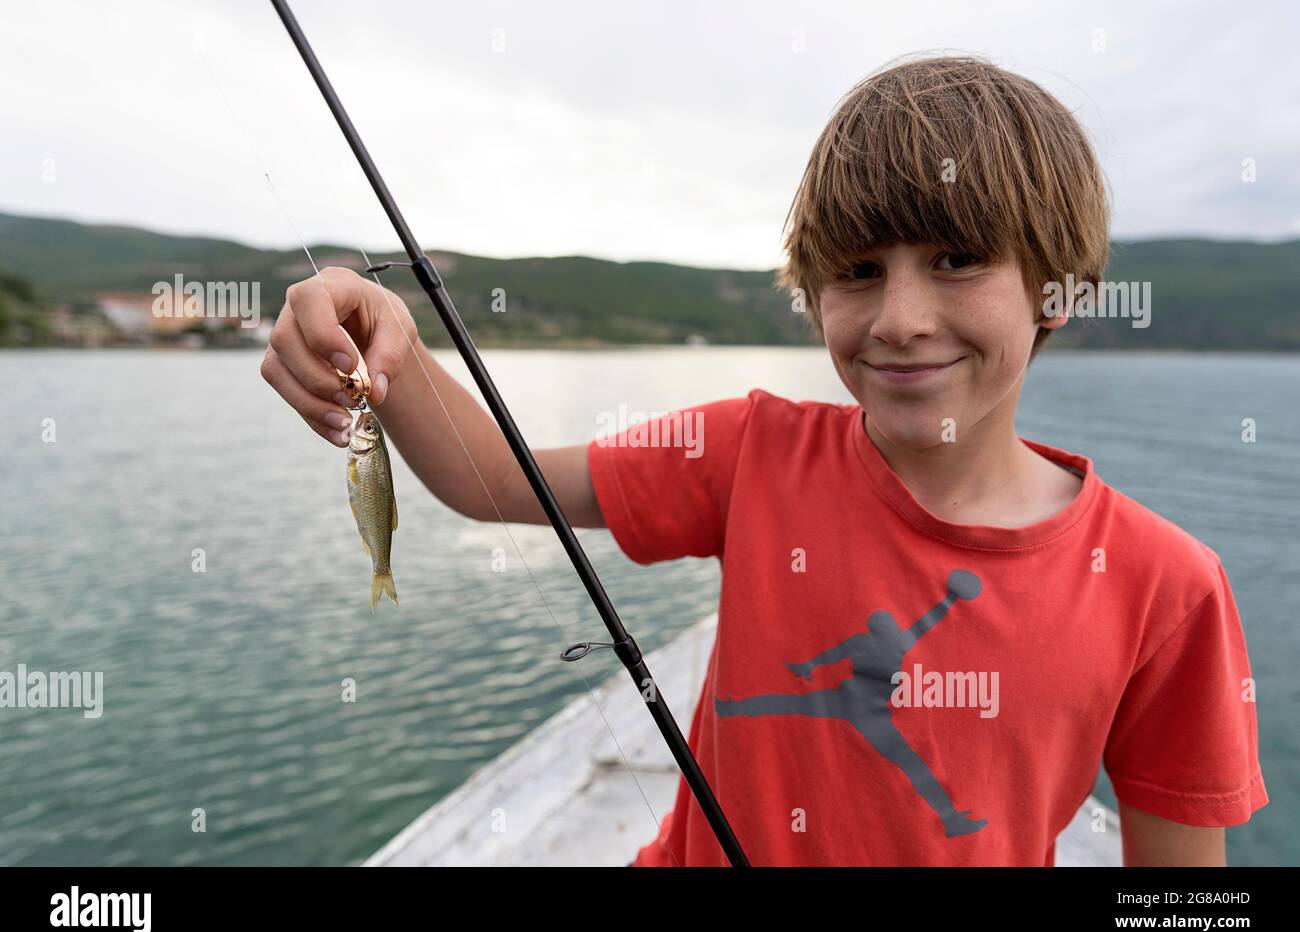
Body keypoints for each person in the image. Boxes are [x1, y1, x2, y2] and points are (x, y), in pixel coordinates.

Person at [260, 54, 1267, 866]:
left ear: (1059, 288)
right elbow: (501, 481)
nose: (900, 319)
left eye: (957, 260)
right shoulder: (750, 448)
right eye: (857, 273)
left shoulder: (1166, 588)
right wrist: (380, 331)